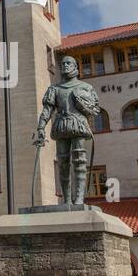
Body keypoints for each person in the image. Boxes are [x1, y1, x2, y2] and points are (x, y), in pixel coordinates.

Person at [33, 56, 100, 205]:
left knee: (79, 162)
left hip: (78, 125)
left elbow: (95, 109)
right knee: (63, 163)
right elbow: (47, 110)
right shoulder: (54, 89)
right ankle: (67, 200)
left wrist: (83, 106)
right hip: (61, 126)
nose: (65, 65)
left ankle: (79, 199)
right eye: (63, 63)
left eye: (68, 63)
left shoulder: (86, 87)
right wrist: (41, 127)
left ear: (75, 66)